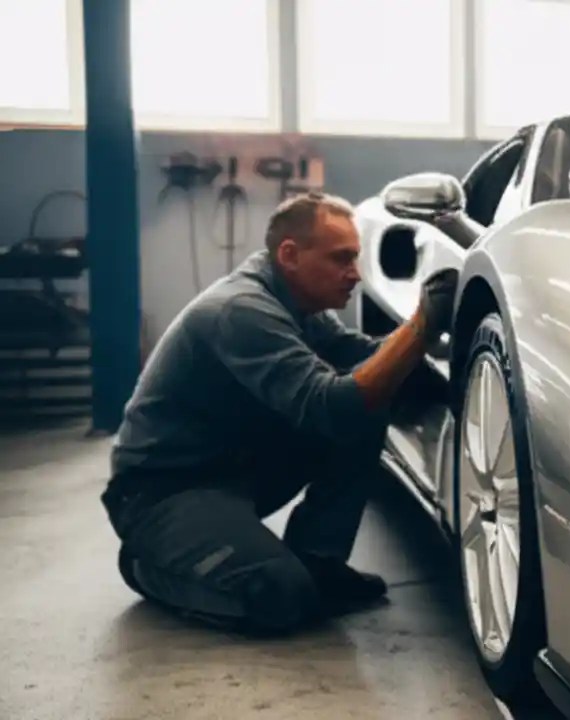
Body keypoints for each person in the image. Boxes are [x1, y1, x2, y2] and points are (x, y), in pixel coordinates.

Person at [101, 191, 457, 635]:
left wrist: (441, 346)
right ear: (290, 255)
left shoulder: (298, 306)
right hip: (164, 492)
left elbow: (364, 359)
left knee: (371, 400)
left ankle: (319, 560)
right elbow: (336, 407)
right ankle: (145, 562)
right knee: (281, 596)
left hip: (233, 468)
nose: (354, 274)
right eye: (341, 259)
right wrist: (423, 323)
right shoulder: (242, 312)